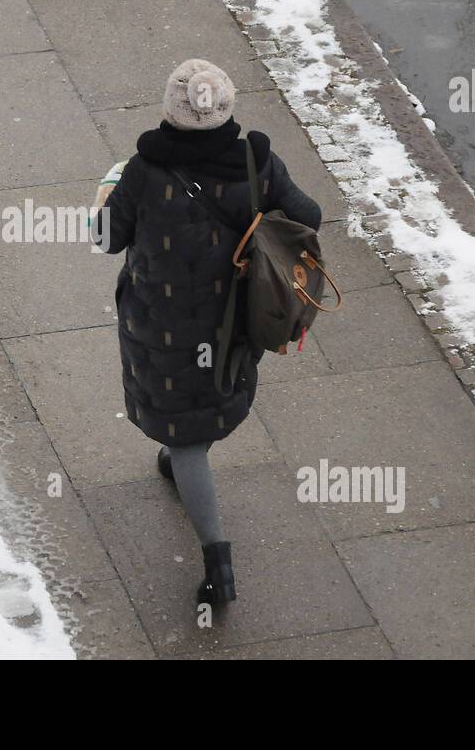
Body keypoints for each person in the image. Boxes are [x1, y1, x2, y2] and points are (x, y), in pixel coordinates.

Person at [93, 59, 322, 607]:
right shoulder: (256, 163)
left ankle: (218, 563)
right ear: (227, 108)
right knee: (211, 401)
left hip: (162, 331)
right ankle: (182, 457)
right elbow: (308, 215)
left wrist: (106, 189)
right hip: (233, 324)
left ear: (169, 110)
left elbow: (105, 239)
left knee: (186, 434)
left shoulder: (142, 174)